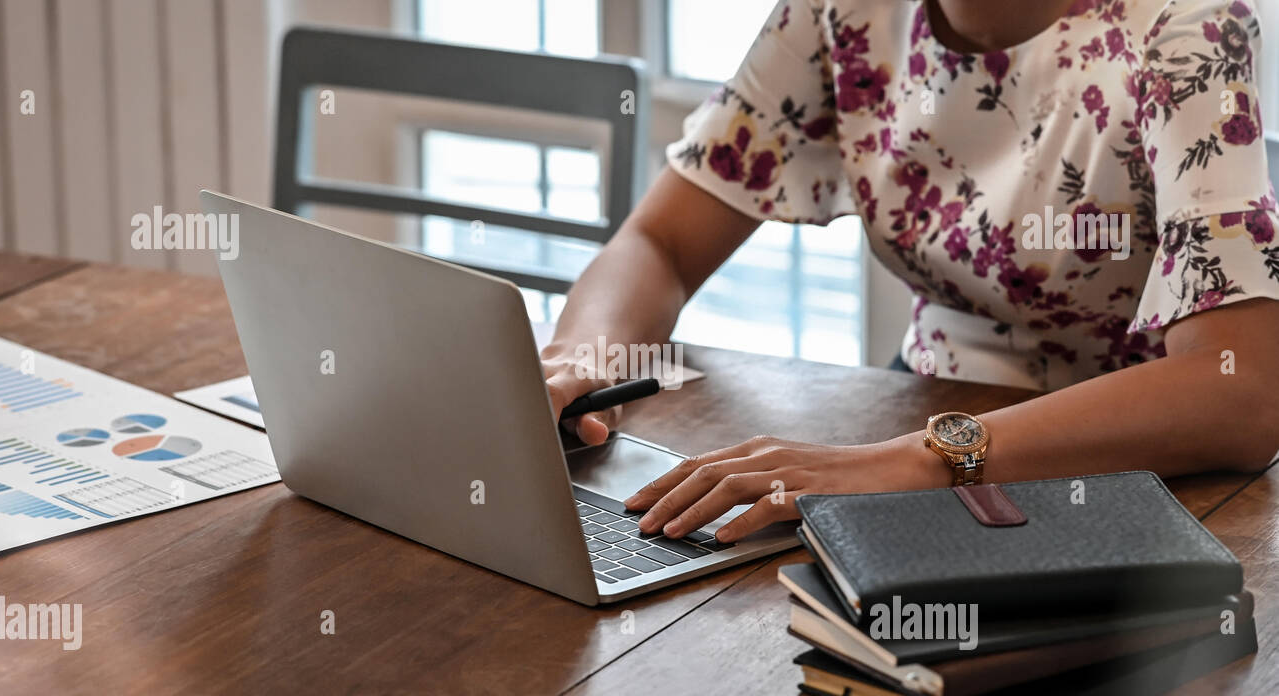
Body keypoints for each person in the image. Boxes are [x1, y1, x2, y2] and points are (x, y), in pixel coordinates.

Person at [541, 0, 1279, 544]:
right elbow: (662, 241)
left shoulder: (1183, 26)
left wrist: (920, 462)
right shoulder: (842, 12)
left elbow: (1241, 390)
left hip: (1141, 465)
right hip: (918, 412)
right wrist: (581, 361)